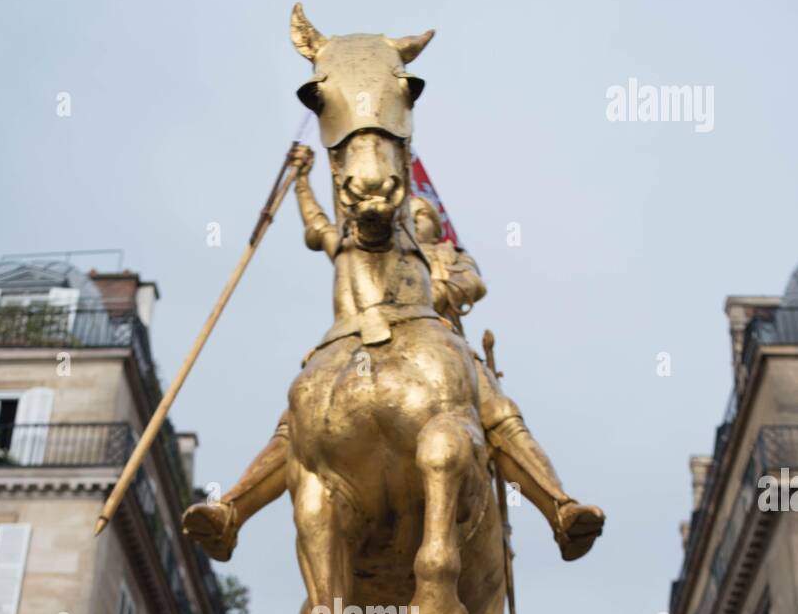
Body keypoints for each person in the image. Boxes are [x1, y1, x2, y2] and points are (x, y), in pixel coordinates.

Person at [183, 147, 604, 565]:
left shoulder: (448, 257)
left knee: (498, 409)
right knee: (296, 423)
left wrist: (423, 296)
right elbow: (318, 225)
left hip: (438, 343)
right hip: (355, 339)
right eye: (411, 214)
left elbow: (471, 286)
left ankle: (559, 508)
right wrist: (301, 182)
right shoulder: (360, 247)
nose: (412, 219)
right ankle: (231, 513)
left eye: (421, 216)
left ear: (435, 226)